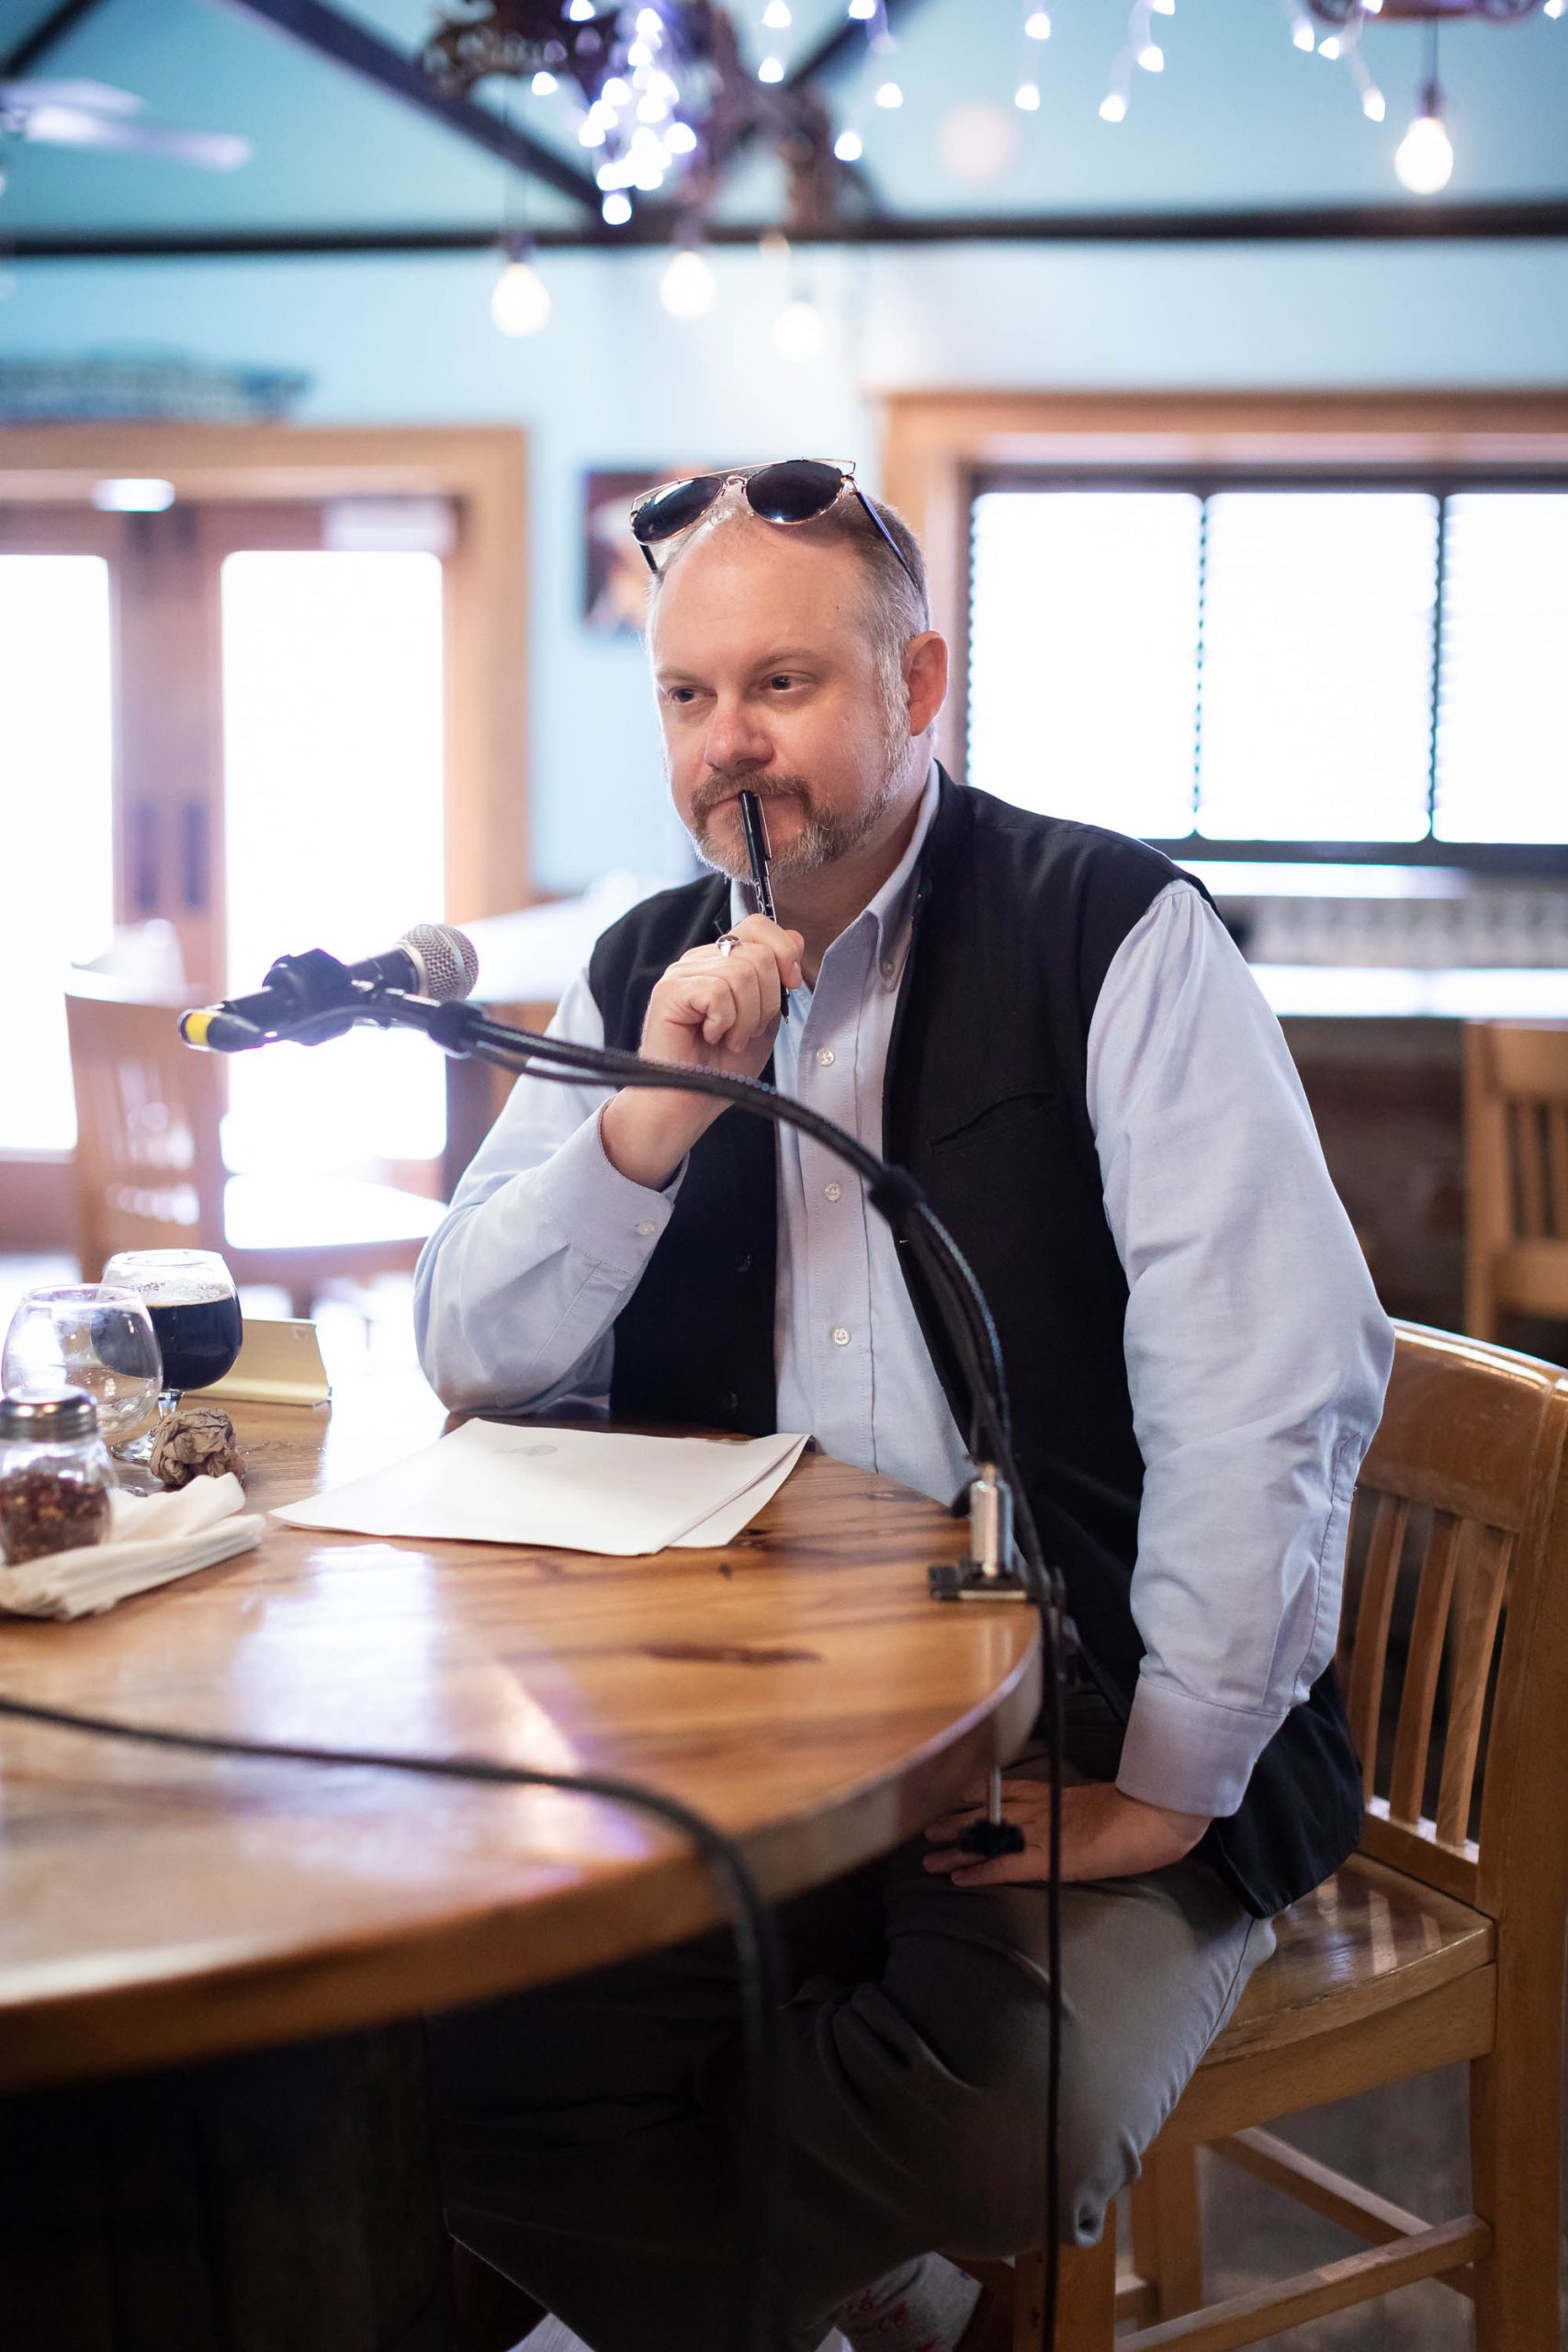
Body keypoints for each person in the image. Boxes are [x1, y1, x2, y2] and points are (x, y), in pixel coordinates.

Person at [413, 465, 1393, 2352]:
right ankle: (916, 2308)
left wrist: (1165, 1785)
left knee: (993, 2108)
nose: (728, 744)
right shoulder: (637, 969)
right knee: (441, 2060)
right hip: (744, 1732)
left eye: (780, 681)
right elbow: (467, 1347)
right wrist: (644, 1122)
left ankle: (860, 2272)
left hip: (1073, 1723)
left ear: (918, 677)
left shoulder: (1110, 930)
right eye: (687, 697)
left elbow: (1263, 1380)